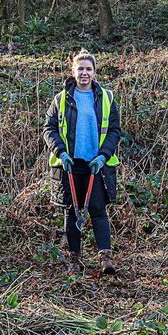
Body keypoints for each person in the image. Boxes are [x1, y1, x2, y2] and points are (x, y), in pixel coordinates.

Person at [43, 50, 122, 277]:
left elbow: (114, 131)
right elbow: (49, 129)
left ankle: (105, 258)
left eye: (88, 69)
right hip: (69, 164)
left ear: (94, 72)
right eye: (80, 69)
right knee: (71, 211)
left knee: (98, 210)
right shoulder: (60, 99)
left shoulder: (106, 98)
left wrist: (103, 156)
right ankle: (74, 260)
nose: (84, 73)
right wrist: (60, 153)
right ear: (73, 72)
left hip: (96, 164)